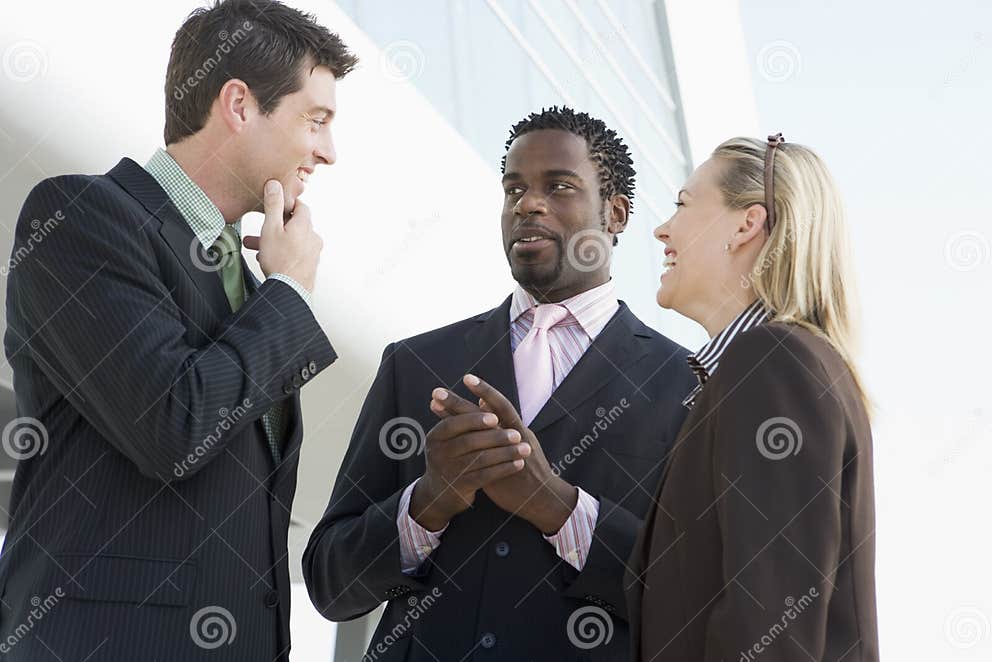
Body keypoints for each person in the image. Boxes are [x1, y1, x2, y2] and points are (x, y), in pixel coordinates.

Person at [0, 2, 356, 659]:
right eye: (316, 120)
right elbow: (174, 425)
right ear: (239, 105)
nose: (328, 152)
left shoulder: (253, 285)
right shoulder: (80, 217)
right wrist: (289, 294)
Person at [303, 107, 696, 661]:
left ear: (615, 213)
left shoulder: (688, 386)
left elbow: (696, 597)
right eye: (514, 189)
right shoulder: (414, 364)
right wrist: (427, 503)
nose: (527, 204)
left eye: (558, 187)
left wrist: (560, 509)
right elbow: (331, 583)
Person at [626, 134, 879, 661]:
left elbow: (770, 627)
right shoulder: (774, 367)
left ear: (746, 225)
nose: (662, 229)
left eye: (682, 204)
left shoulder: (773, 364)